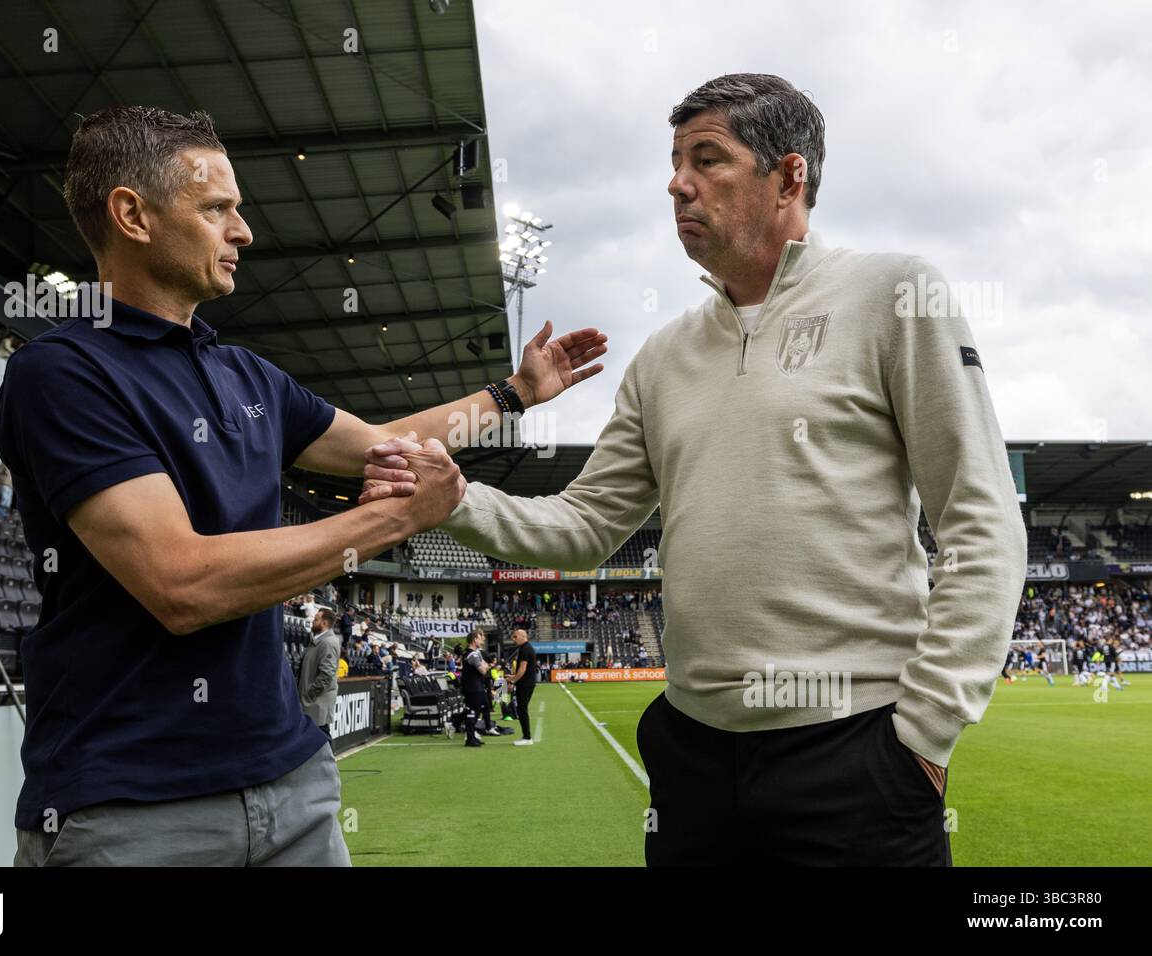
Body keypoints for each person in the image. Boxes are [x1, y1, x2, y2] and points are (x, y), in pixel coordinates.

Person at [360, 73, 1026, 867]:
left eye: (707, 160)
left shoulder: (894, 295)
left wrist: (924, 736)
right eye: (675, 162)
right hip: (693, 759)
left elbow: (982, 521)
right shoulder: (663, 357)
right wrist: (459, 499)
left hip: (857, 756)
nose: (678, 184)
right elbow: (583, 528)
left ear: (789, 176)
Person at [0, 105, 604, 868]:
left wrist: (511, 395)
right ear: (131, 215)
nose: (242, 231)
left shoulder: (247, 374)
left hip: (291, 781)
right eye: (217, 209)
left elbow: (388, 445)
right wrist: (392, 522)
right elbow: (181, 585)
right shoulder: (63, 374)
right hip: (134, 805)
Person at [298, 608, 342, 739]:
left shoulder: (328, 642)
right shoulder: (318, 641)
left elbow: (326, 674)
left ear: (324, 623)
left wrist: (310, 694)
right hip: (312, 702)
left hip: (317, 703)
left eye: (316, 619)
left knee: (321, 739)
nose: (313, 621)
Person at [507, 628, 539, 746]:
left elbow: (522, 669)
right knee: (521, 709)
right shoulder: (525, 648)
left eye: (515, 636)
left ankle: (527, 737)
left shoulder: (526, 649)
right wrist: (513, 677)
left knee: (522, 709)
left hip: (525, 683)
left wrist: (513, 681)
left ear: (522, 636)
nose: (513, 639)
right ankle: (526, 736)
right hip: (526, 682)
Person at [460, 629, 490, 748]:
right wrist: (485, 666)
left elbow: (485, 666)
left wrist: (485, 666)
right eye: (479, 638)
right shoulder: (472, 654)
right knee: (472, 712)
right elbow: (483, 669)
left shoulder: (476, 653)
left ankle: (472, 736)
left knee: (476, 711)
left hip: (477, 686)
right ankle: (470, 738)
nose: (481, 640)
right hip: (472, 687)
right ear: (474, 640)